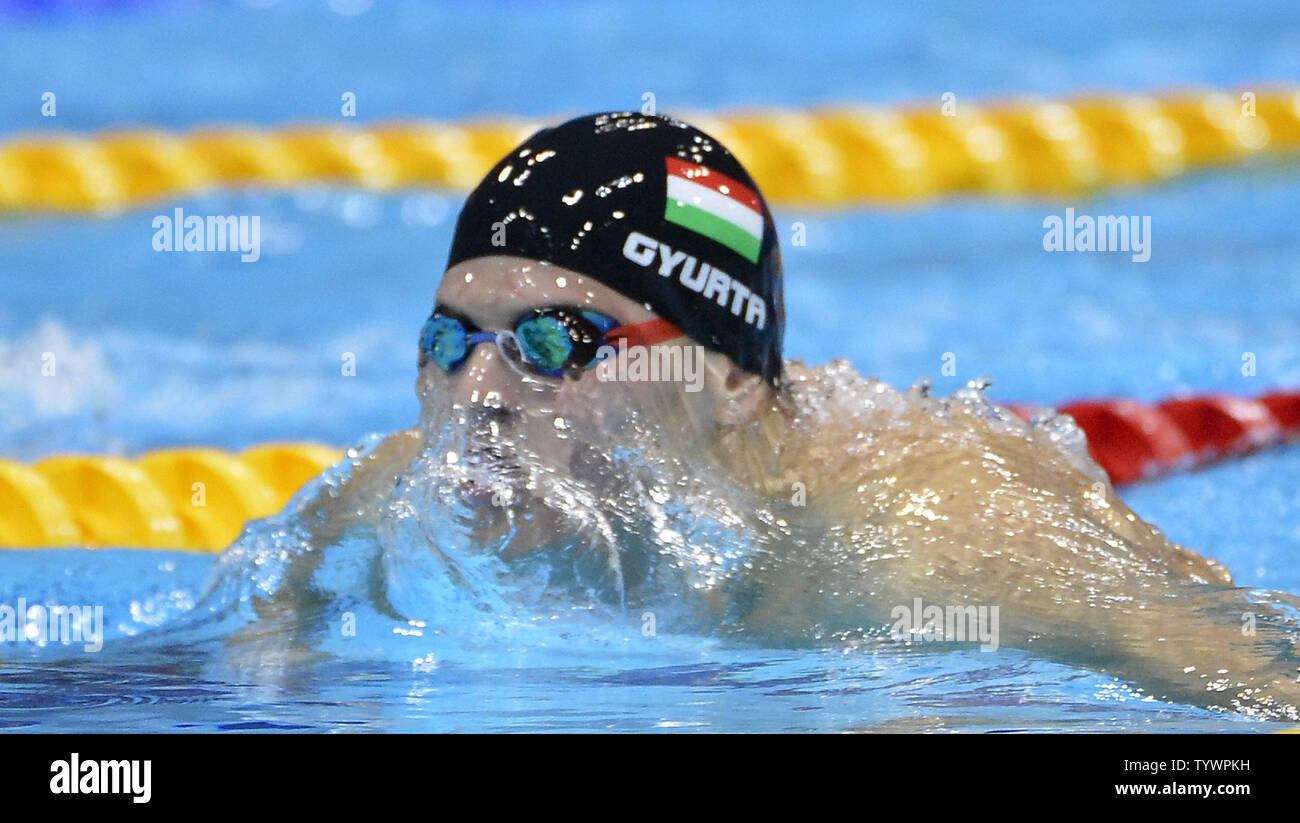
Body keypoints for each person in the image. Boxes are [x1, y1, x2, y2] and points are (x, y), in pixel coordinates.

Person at [229, 112, 1299, 720]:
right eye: (450, 340)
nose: (481, 397)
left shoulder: (929, 541)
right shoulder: (391, 508)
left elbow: (1263, 691)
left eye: (557, 341)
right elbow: (206, 694)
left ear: (731, 375)